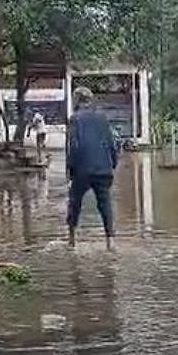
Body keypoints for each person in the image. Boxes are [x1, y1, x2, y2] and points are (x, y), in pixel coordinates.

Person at [66, 87, 118, 249]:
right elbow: (111, 143)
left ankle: (72, 240)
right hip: (103, 168)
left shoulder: (75, 119)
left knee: (75, 202)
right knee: (105, 203)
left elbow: (72, 146)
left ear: (77, 100)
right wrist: (113, 163)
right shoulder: (102, 118)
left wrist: (70, 169)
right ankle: (110, 241)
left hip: (82, 168)